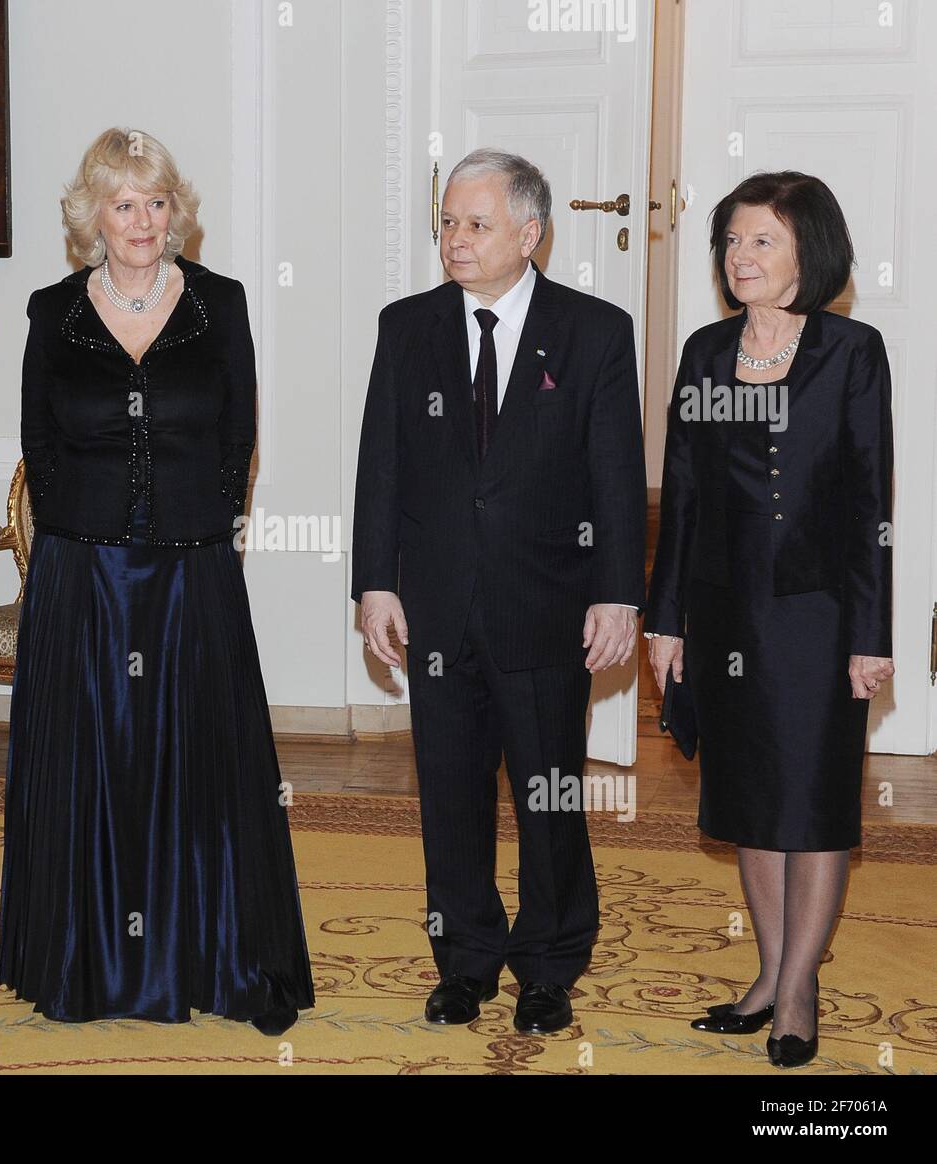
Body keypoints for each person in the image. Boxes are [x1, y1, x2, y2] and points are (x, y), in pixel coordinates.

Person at [0, 127, 314, 1035]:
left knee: (201, 765)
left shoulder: (221, 302)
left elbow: (236, 439)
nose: (142, 220)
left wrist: (200, 527)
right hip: (83, 575)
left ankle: (226, 958)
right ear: (92, 215)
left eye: (157, 201)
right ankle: (86, 965)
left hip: (190, 572)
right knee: (93, 765)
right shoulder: (52, 310)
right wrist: (82, 531)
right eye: (124, 203)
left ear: (177, 212)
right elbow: (38, 444)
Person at [352, 149, 646, 1031]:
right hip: (437, 604)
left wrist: (618, 593)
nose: (454, 240)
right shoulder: (406, 328)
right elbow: (382, 468)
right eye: (446, 221)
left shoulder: (595, 331)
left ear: (530, 233)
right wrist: (375, 585)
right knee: (448, 790)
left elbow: (617, 477)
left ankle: (548, 963)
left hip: (546, 605)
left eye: (475, 224)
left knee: (549, 790)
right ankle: (466, 958)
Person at [644, 171, 894, 1069]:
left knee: (815, 804)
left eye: (763, 242)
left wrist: (872, 634)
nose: (740, 257)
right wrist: (664, 618)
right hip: (726, 614)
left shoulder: (852, 353)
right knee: (751, 798)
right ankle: (765, 972)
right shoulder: (707, 354)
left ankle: (797, 991)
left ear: (807, 255)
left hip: (822, 617)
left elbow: (872, 499)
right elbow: (687, 494)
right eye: (733, 240)